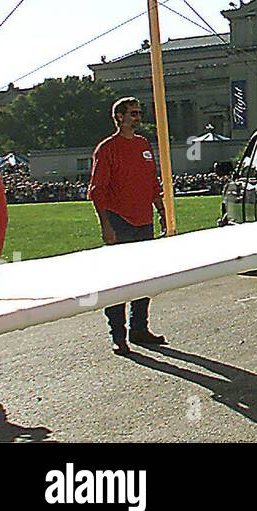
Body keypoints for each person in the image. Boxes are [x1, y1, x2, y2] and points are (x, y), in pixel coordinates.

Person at [88, 97, 168, 356]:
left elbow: (152, 183)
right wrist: (106, 226)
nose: (137, 117)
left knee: (143, 279)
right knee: (120, 281)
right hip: (120, 221)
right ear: (119, 117)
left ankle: (139, 329)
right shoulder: (107, 148)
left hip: (144, 220)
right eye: (132, 113)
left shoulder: (144, 145)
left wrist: (162, 212)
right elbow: (97, 191)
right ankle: (118, 335)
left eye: (139, 112)